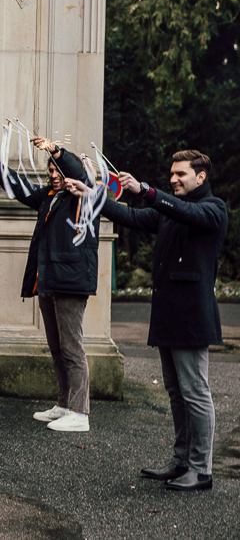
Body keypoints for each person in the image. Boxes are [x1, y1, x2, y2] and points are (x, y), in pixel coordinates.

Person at [66, 150, 226, 491]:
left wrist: (145, 190)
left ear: (200, 178)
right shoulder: (170, 213)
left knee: (195, 392)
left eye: (181, 174)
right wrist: (92, 196)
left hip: (192, 317)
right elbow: (130, 218)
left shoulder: (213, 209)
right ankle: (181, 462)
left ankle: (202, 469)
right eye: (171, 174)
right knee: (176, 392)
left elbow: (184, 210)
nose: (173, 179)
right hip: (169, 315)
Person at [0, 137, 97, 433]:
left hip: (70, 283)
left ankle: (80, 414)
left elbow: (79, 174)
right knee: (57, 348)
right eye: (51, 170)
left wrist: (56, 150)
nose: (54, 174)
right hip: (50, 281)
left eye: (58, 169)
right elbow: (23, 190)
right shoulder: (49, 196)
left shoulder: (84, 194)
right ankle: (65, 405)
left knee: (72, 348)